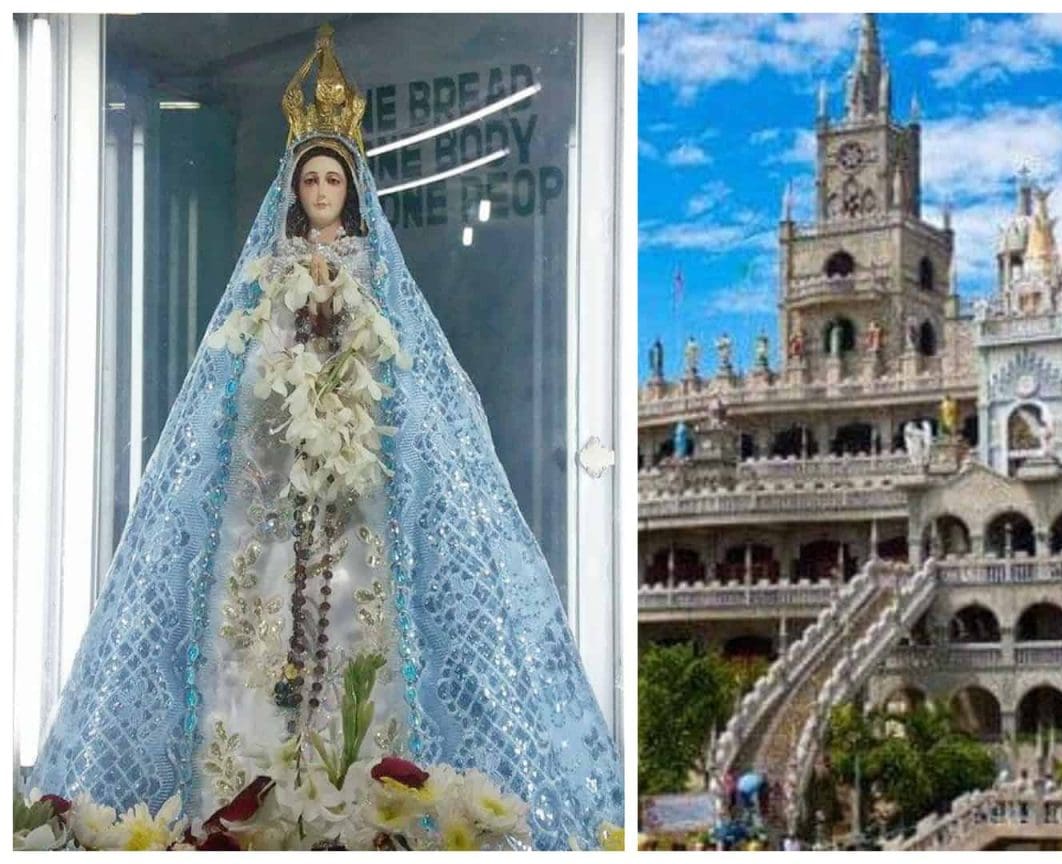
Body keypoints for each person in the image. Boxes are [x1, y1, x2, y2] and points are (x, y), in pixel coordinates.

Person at [24, 26, 620, 850]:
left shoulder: (377, 274)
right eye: (311, 178)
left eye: (334, 177)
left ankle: (358, 799)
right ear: (294, 189)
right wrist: (288, 381)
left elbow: (401, 374)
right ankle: (247, 797)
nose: (322, 191)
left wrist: (350, 405)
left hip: (354, 488)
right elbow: (239, 378)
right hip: (274, 490)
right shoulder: (270, 274)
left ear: (352, 187)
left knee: (354, 625)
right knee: (261, 627)